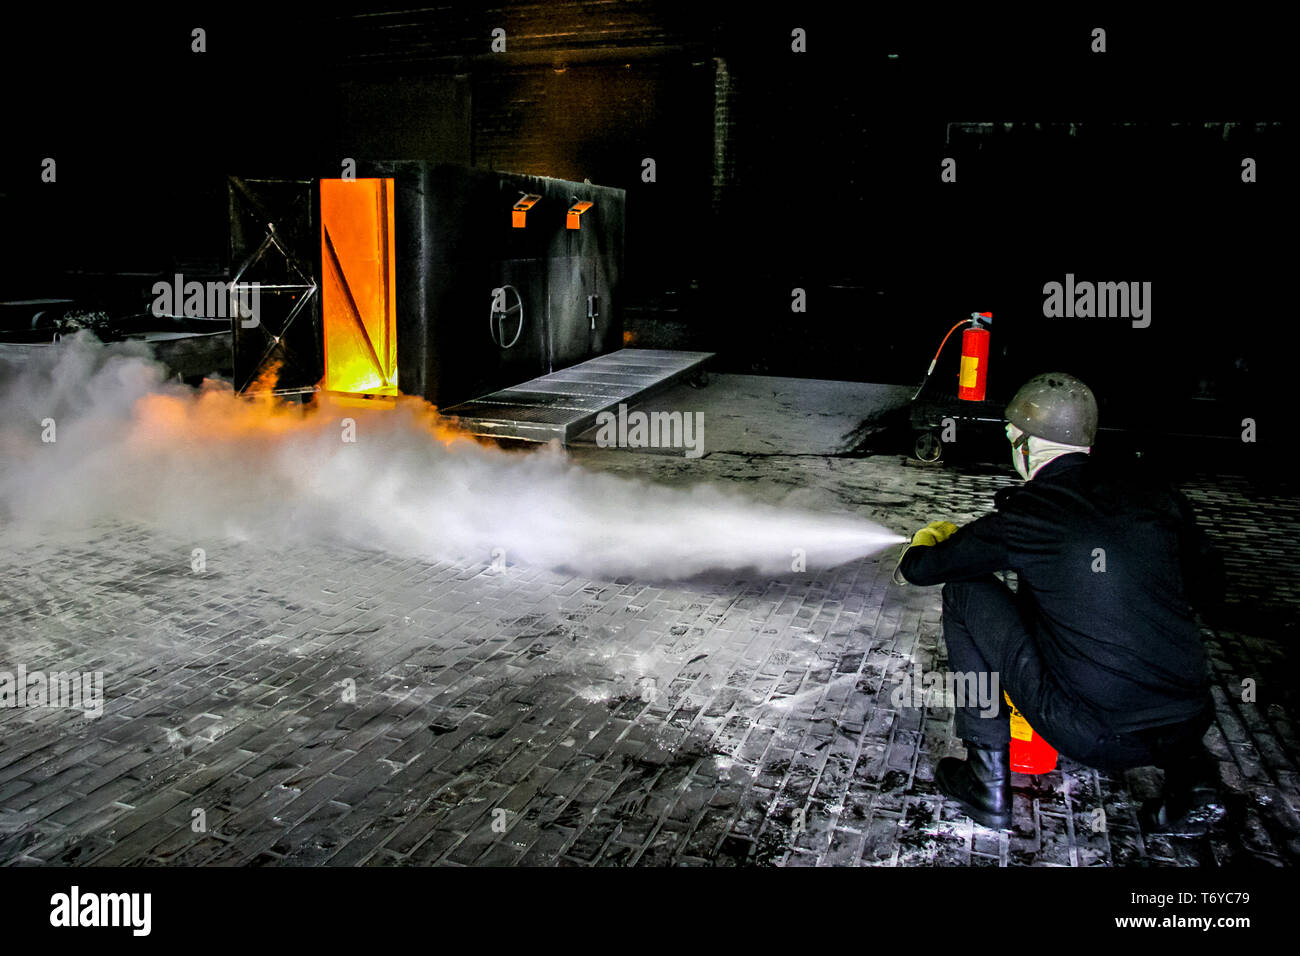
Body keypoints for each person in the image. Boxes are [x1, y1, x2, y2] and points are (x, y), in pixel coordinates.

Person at [898, 372, 1224, 832]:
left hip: (1092, 733)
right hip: (1190, 719)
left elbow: (922, 570)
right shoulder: (1156, 494)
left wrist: (925, 541)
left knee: (964, 590)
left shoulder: (1030, 514)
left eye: (1013, 438)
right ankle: (1195, 781)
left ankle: (985, 780)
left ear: (1025, 444)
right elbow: (1212, 588)